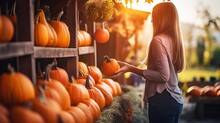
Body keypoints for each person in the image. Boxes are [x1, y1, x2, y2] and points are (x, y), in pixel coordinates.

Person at [111, 1, 185, 123]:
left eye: (154, 17)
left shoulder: (158, 40)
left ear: (161, 19)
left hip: (163, 101)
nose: (151, 21)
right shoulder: (174, 40)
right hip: (175, 100)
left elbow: (163, 76)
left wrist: (131, 68)